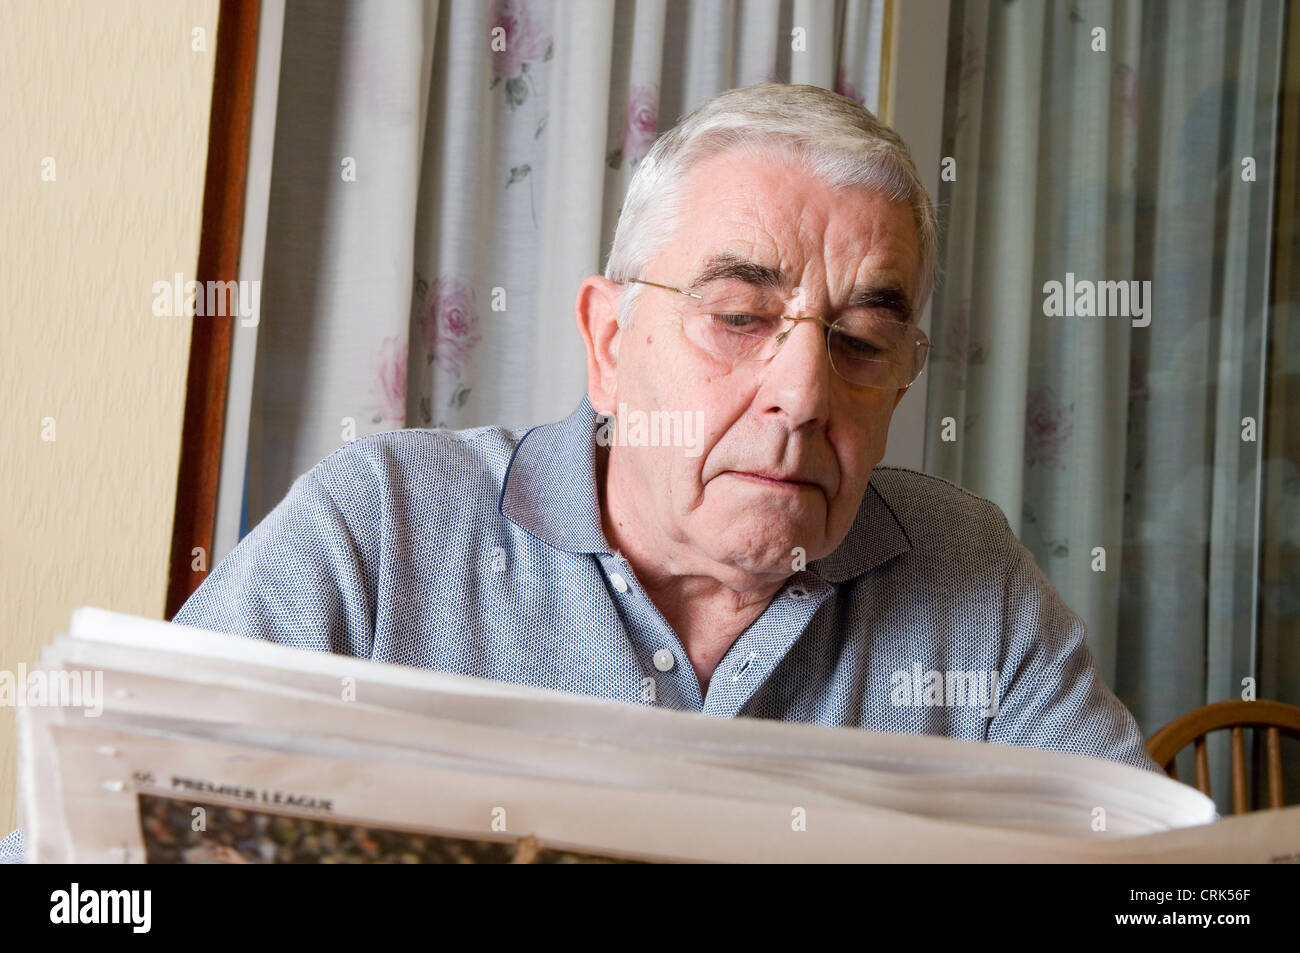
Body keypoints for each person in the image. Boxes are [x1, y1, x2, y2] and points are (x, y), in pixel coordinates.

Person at [0, 82, 1158, 863]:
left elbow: (1147, 872)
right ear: (609, 343)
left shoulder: (972, 575)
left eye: (858, 340)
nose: (803, 392)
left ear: (902, 377)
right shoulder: (383, 526)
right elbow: (90, 852)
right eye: (741, 314)